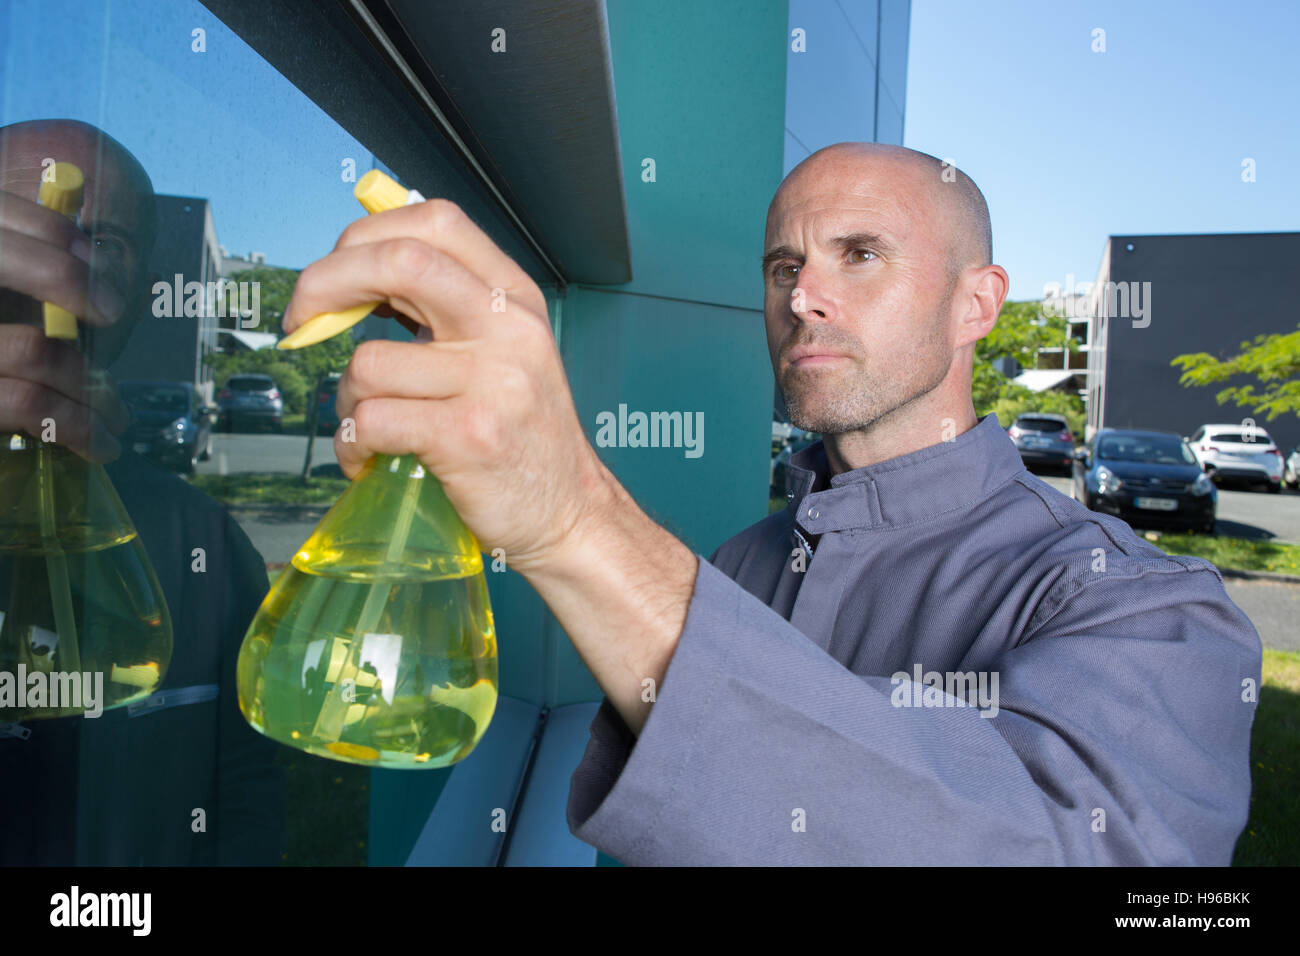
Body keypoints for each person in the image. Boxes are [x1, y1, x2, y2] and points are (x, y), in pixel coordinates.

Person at [283, 142, 1261, 866]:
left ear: (977, 303)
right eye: (783, 267)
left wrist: (569, 516)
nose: (802, 298)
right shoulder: (743, 563)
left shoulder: (1144, 605)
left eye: (860, 254)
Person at [0, 119, 285, 864]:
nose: (52, 263)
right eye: (17, 227)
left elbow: (246, 784)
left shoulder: (206, 545)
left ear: (136, 294)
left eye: (102, 242)